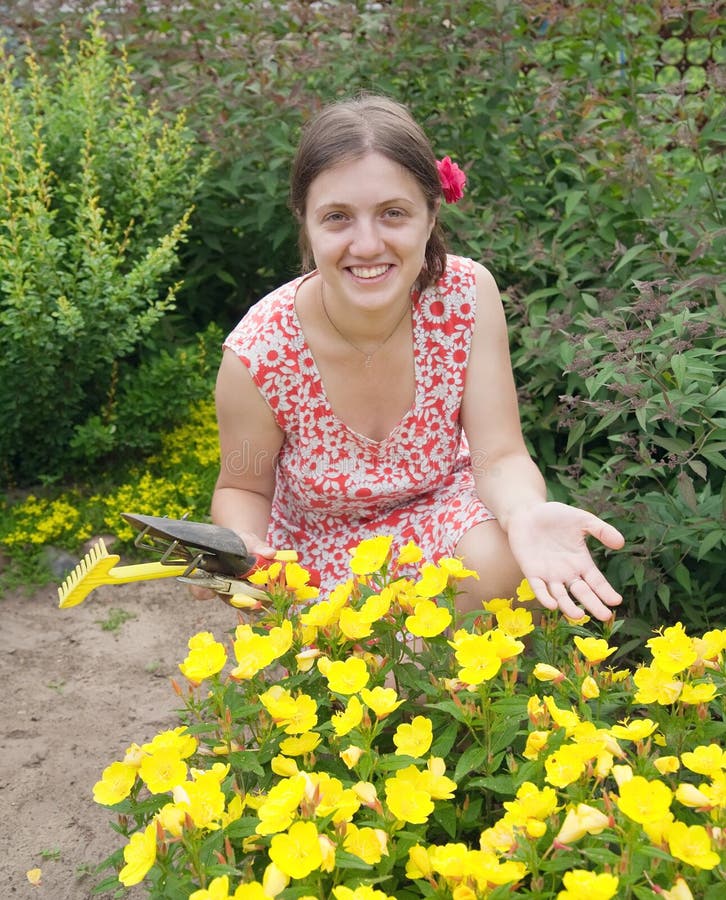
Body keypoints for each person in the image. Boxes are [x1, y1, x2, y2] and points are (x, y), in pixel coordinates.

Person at [209, 94, 625, 622]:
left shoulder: (466, 295)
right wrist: (241, 548)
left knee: (503, 559)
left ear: (431, 214)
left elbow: (497, 457)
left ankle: (472, 694)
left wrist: (525, 513)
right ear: (305, 221)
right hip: (318, 551)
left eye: (393, 214)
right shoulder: (260, 351)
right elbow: (243, 484)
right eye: (337, 217)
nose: (366, 244)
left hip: (441, 518)